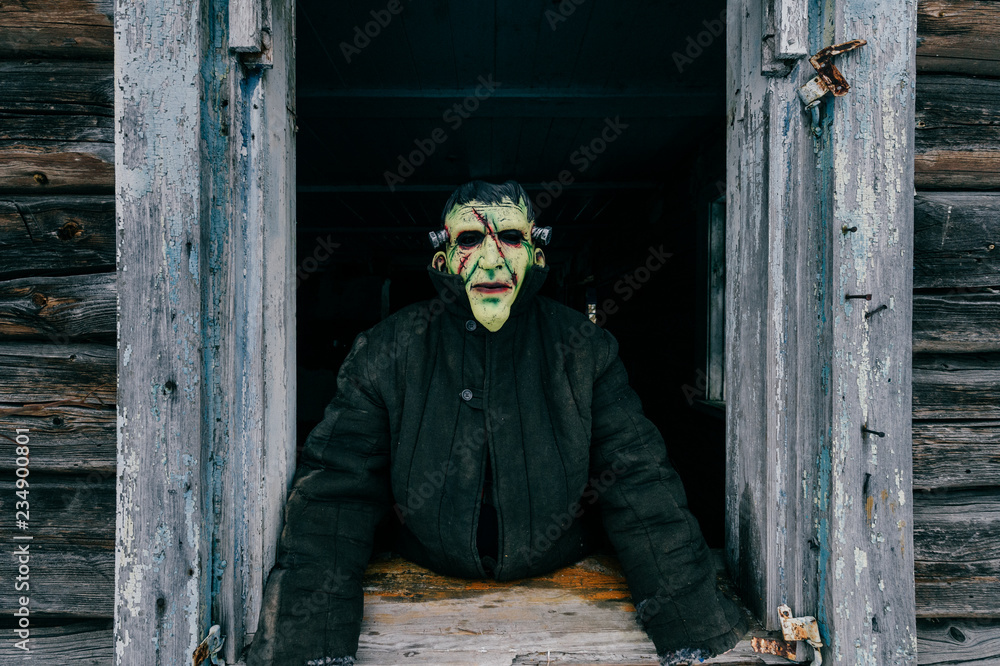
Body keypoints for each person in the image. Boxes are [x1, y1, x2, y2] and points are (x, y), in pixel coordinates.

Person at [246, 180, 747, 666]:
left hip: (558, 572)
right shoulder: (388, 349)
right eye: (469, 239)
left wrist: (693, 626)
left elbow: (640, 483)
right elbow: (337, 492)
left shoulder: (584, 349)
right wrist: (311, 645)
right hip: (426, 573)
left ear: (537, 255)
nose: (491, 258)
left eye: (510, 237)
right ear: (442, 260)